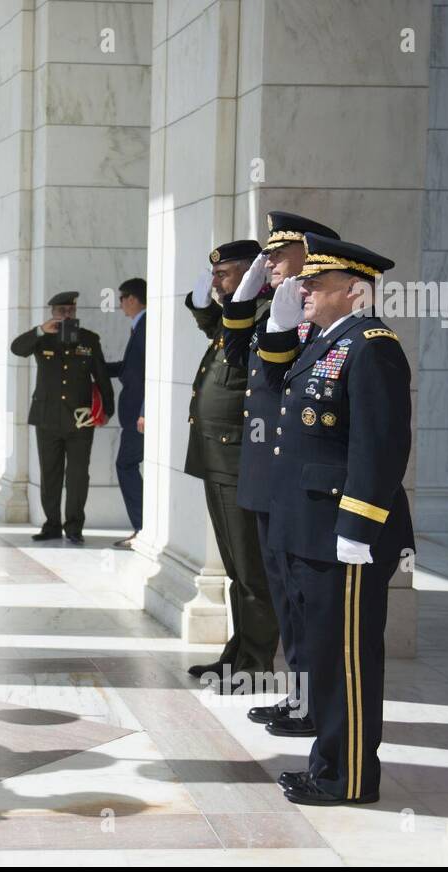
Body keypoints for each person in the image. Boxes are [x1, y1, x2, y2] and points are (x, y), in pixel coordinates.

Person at [268, 234, 413, 806]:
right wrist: (276, 325)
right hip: (308, 528)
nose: (303, 290)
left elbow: (380, 447)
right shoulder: (325, 341)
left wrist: (357, 528)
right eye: (304, 281)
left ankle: (347, 779)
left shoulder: (372, 346)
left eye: (316, 283)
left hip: (343, 533)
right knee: (324, 657)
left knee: (347, 660)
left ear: (355, 290)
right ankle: (329, 765)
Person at [220, 212, 341, 735]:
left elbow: (279, 377)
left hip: (294, 477)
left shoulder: (317, 320)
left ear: (311, 256)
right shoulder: (281, 310)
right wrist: (243, 300)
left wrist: (277, 320)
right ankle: (299, 696)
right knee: (285, 595)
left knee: (304, 598)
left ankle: (313, 703)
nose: (268, 261)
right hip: (266, 472)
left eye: (278, 253)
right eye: (266, 255)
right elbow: (235, 356)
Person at [183, 241, 279, 692]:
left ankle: (255, 666)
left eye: (224, 274)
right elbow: (218, 331)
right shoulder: (240, 314)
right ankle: (237, 654)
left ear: (249, 274)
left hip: (240, 455)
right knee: (236, 568)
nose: (217, 282)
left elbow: (241, 351)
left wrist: (230, 305)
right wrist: (203, 303)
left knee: (251, 570)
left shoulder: (266, 315)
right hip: (218, 455)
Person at [10, 291, 114, 545]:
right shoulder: (42, 339)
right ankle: (52, 525)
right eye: (62, 310)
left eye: (71, 310)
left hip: (80, 420)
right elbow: (16, 349)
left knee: (78, 476)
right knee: (50, 474)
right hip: (47, 419)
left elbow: (101, 376)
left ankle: (74, 527)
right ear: (53, 312)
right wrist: (39, 331)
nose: (67, 314)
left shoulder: (88, 339)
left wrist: (106, 411)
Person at [106, 278, 146, 548]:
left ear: (132, 299)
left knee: (125, 464)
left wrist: (145, 411)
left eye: (121, 299)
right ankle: (142, 526)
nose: (120, 304)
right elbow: (130, 368)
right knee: (128, 464)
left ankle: (142, 527)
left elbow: (151, 373)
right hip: (134, 415)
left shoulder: (146, 326)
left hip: (139, 416)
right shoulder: (139, 326)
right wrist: (95, 366)